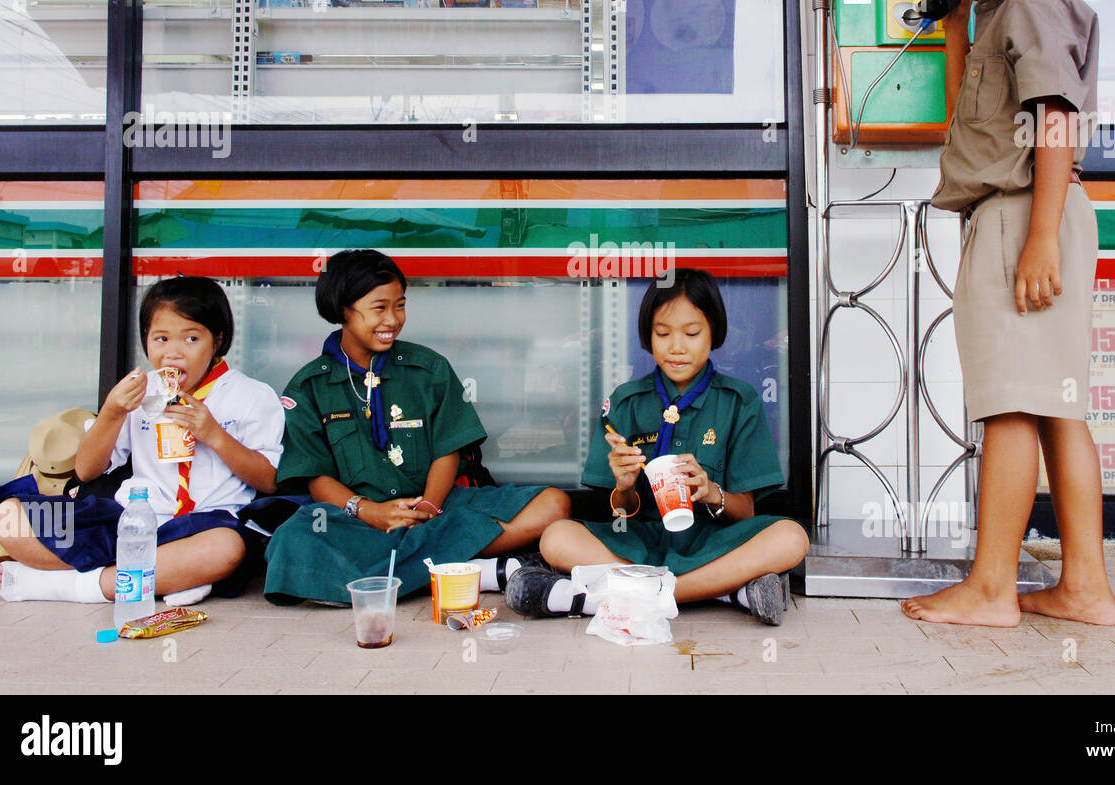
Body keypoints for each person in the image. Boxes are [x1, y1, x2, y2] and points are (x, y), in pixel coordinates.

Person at [902, 0, 1115, 627]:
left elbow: (1053, 117)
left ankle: (991, 588)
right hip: (1031, 209)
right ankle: (1084, 587)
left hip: (1027, 210)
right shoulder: (1005, 11)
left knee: (1009, 408)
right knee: (1057, 406)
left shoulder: (1028, 3)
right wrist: (958, 23)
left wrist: (1037, 239)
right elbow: (976, 115)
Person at [262, 249, 570, 606]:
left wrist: (427, 508)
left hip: (440, 511)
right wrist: (371, 512)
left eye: (400, 305)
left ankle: (382, 577)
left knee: (553, 504)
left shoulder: (429, 369)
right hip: (359, 521)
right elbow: (316, 478)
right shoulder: (308, 387)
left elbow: (447, 451)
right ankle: (471, 570)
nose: (392, 319)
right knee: (294, 538)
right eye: (379, 308)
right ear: (343, 309)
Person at [505, 268, 810, 625]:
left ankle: (644, 594)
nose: (677, 347)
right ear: (648, 337)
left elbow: (745, 514)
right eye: (663, 334)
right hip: (639, 543)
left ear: (714, 333)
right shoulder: (626, 402)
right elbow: (619, 514)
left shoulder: (738, 402)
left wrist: (712, 493)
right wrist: (624, 486)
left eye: (692, 333)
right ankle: (721, 590)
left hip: (711, 543)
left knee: (791, 538)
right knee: (557, 538)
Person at [0, 276, 284, 607]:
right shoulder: (141, 391)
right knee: (8, 516)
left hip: (206, 525)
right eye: (160, 338)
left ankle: (65, 585)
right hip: (132, 519)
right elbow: (86, 471)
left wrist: (215, 435)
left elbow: (269, 481)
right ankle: (166, 577)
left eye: (190, 338)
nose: (173, 353)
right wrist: (112, 413)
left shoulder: (252, 396)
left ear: (217, 340)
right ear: (146, 341)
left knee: (225, 549)